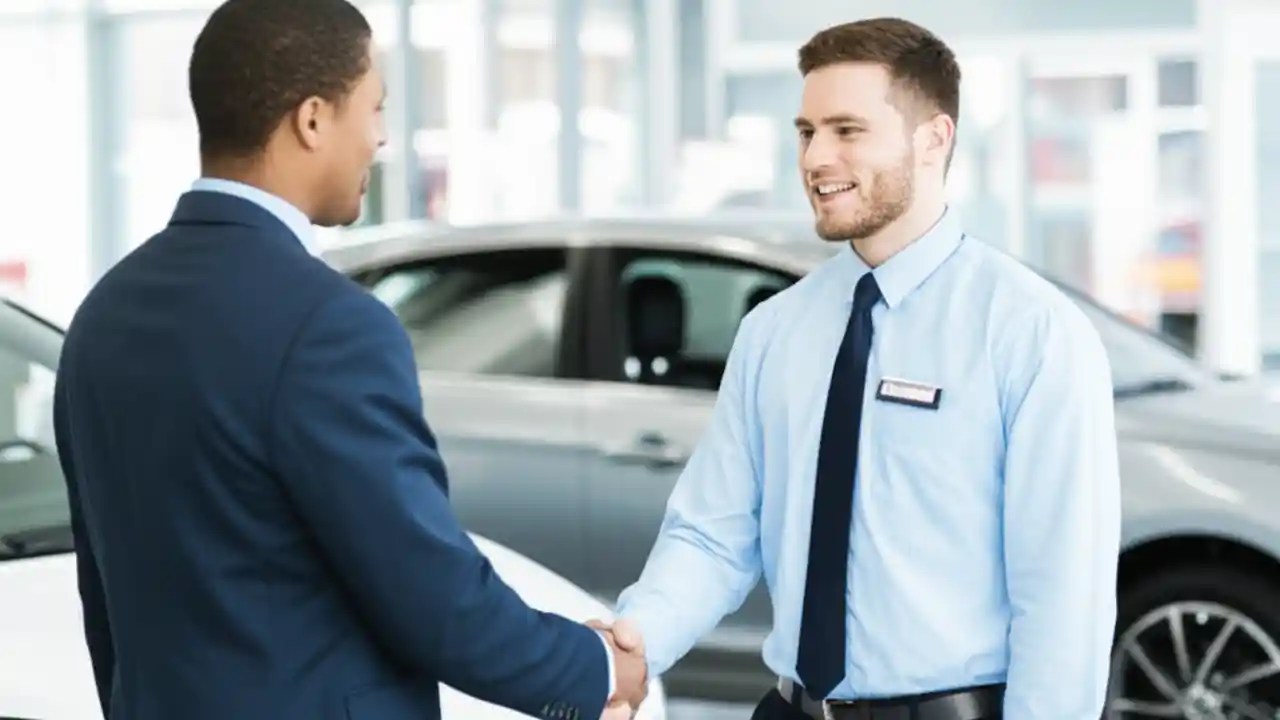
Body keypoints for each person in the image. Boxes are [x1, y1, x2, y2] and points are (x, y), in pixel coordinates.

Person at [52, 1, 645, 719]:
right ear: (311, 120)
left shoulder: (102, 315)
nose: (383, 137)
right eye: (374, 108)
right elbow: (429, 594)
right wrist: (589, 669)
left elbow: (106, 608)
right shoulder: (329, 327)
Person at [595, 16, 1121, 720]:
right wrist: (632, 647)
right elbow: (713, 534)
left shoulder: (1030, 333)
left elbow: (1062, 600)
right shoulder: (774, 331)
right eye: (807, 132)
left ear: (933, 139)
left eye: (848, 130)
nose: (816, 158)